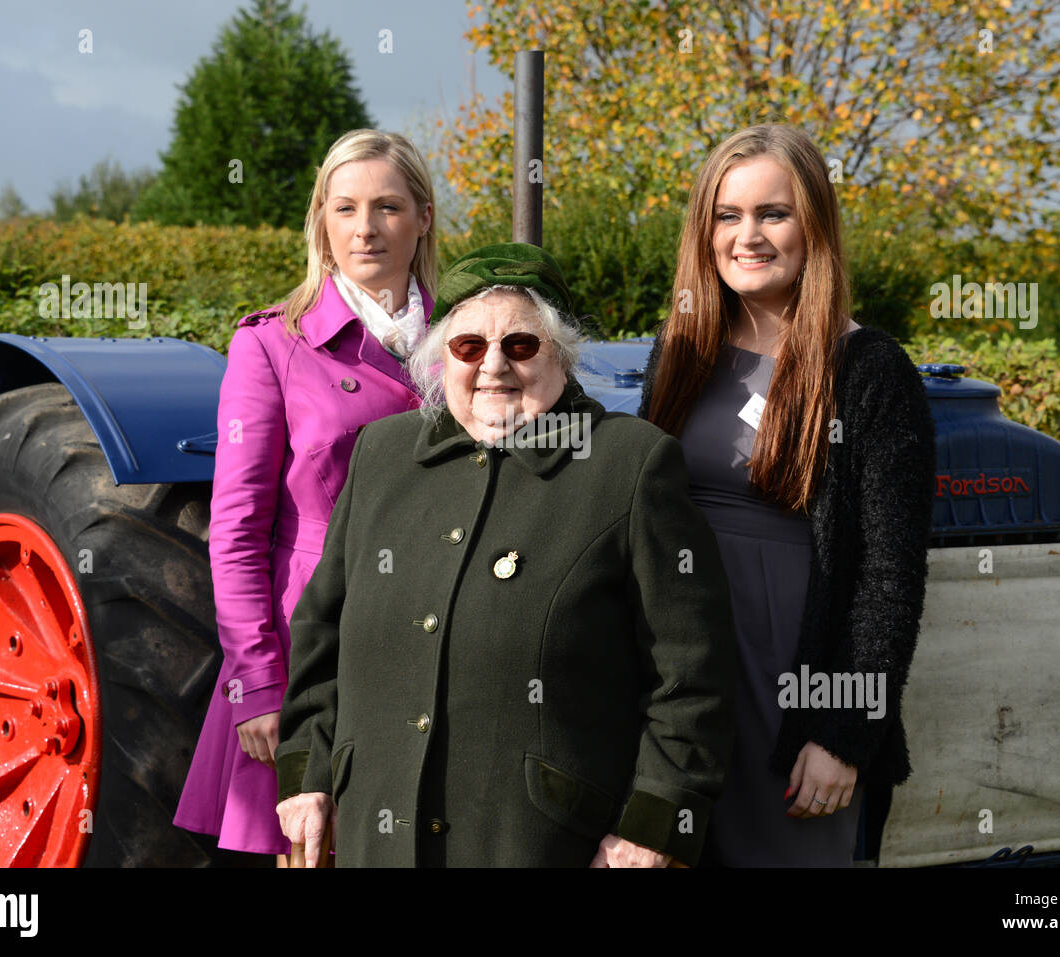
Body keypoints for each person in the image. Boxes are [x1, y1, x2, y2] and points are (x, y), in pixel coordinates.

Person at [274, 243, 736, 867]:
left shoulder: (629, 465)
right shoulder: (383, 454)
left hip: (540, 841)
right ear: (442, 358)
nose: (493, 365)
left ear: (562, 356)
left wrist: (654, 826)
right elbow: (320, 631)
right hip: (377, 835)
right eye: (468, 347)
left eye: (521, 345)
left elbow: (691, 673)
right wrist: (308, 774)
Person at [638, 124, 936, 866]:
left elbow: (889, 575)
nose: (748, 235)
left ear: (815, 225)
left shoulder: (869, 370)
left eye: (774, 213)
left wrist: (842, 731)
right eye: (727, 215)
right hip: (678, 676)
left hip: (790, 685)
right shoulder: (679, 348)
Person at [174, 129, 437, 861]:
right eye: (345, 206)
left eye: (387, 206)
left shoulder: (467, 339)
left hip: (440, 629)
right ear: (321, 219)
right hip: (308, 642)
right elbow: (234, 530)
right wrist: (258, 684)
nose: (366, 227)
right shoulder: (271, 344)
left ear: (422, 217)